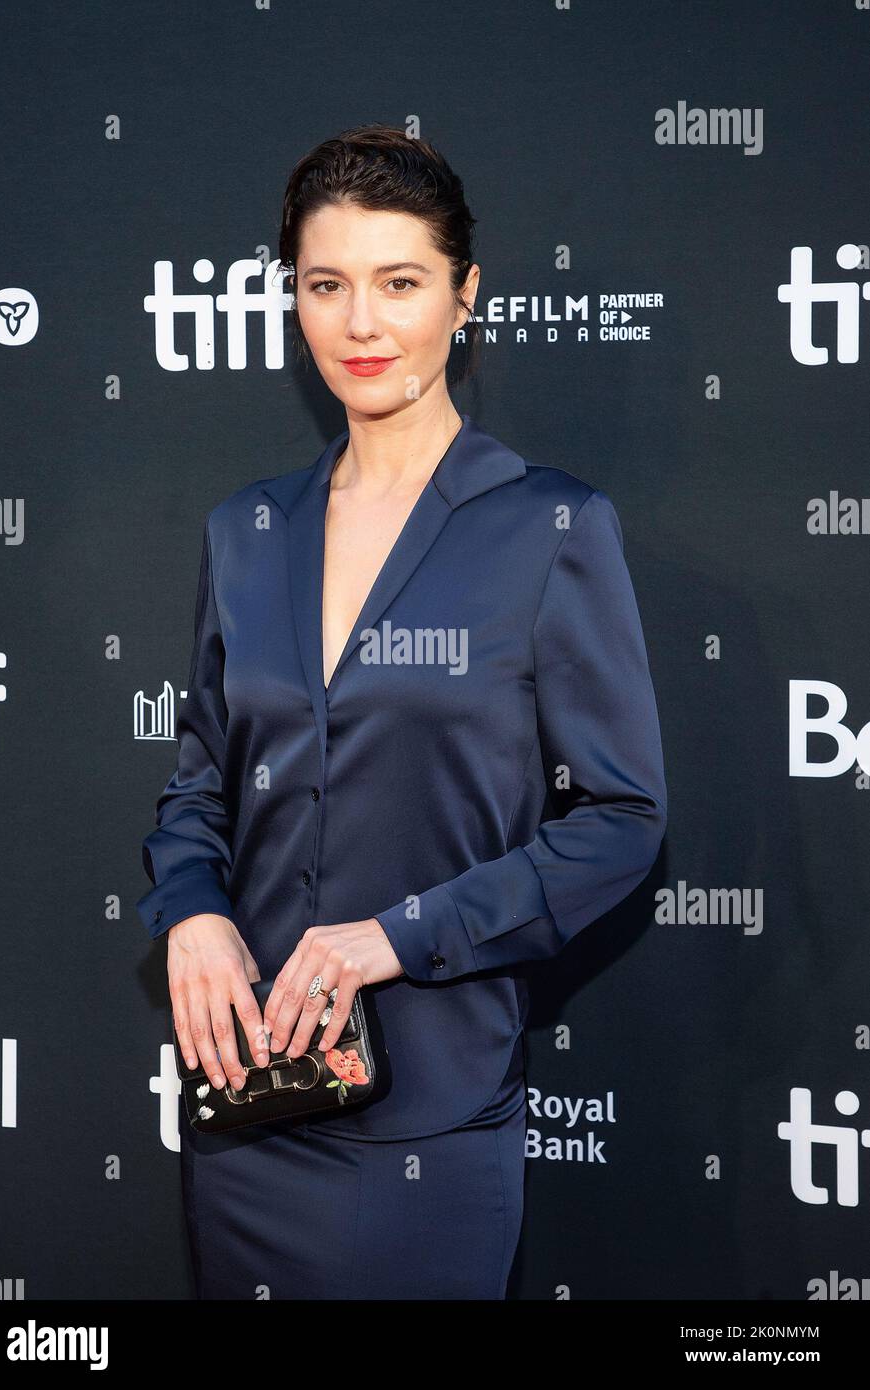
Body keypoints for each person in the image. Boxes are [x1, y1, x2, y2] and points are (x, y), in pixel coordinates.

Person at [137, 123, 668, 1300]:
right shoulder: (247, 530)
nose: (360, 323)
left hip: (430, 1123)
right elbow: (198, 784)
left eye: (399, 282)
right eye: (325, 284)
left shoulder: (549, 529)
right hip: (249, 1112)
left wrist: (394, 934)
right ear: (292, 298)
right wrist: (193, 913)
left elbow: (620, 819)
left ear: (464, 295)